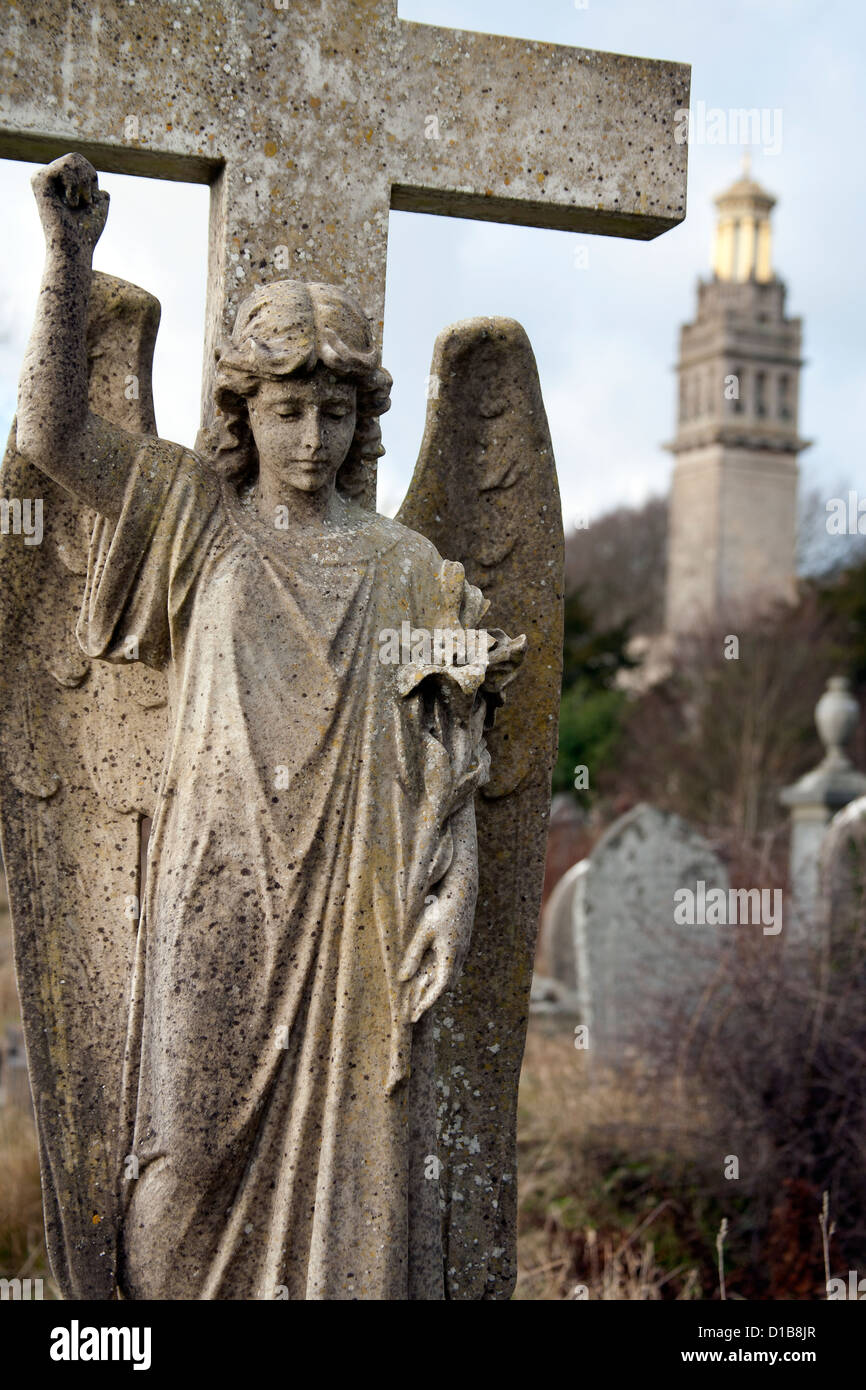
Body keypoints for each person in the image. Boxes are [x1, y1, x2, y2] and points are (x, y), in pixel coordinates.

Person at [16, 153, 522, 1299]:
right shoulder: (198, 519)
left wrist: (452, 892)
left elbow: (452, 756)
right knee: (177, 1165)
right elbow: (54, 442)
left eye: (335, 412)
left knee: (358, 1180)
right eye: (287, 409)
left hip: (355, 908)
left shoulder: (405, 570)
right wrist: (65, 260)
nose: (311, 438)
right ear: (242, 409)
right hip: (214, 890)